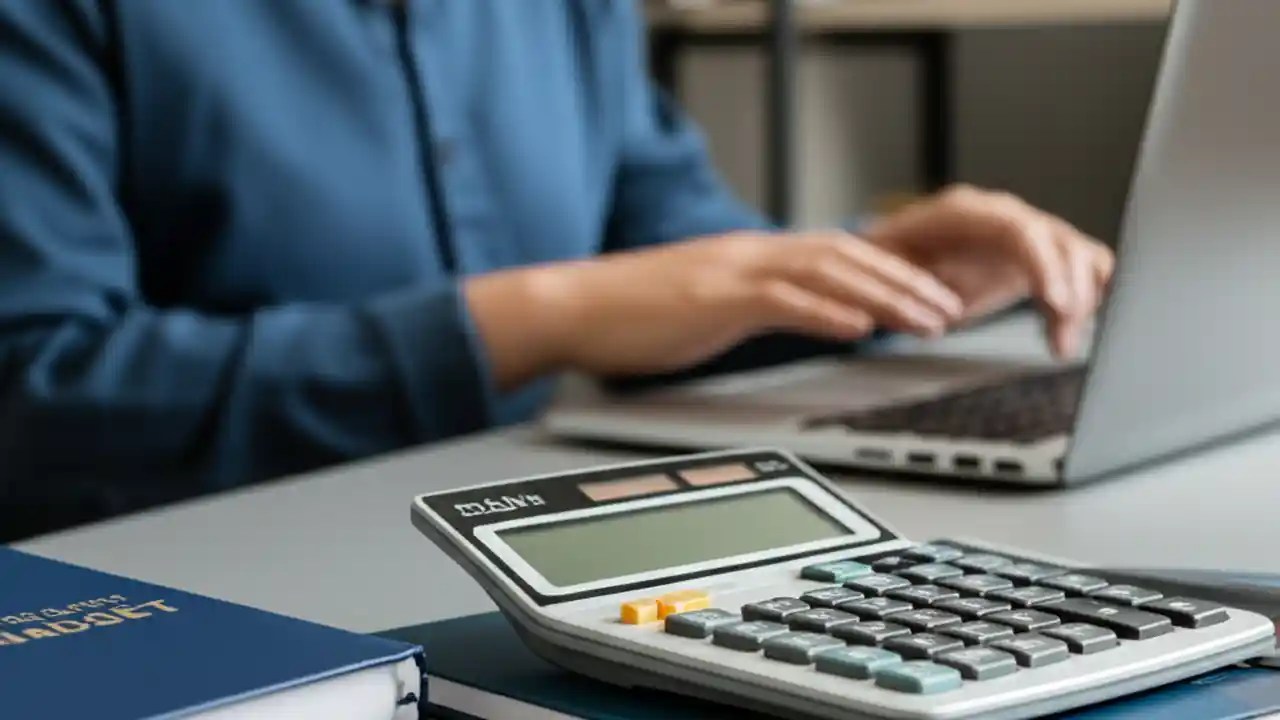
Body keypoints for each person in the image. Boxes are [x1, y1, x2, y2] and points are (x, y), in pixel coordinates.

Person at [0, 1, 1111, 539]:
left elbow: (684, 265)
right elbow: (37, 387)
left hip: (537, 548)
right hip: (174, 590)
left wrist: (870, 271)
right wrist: (539, 314)